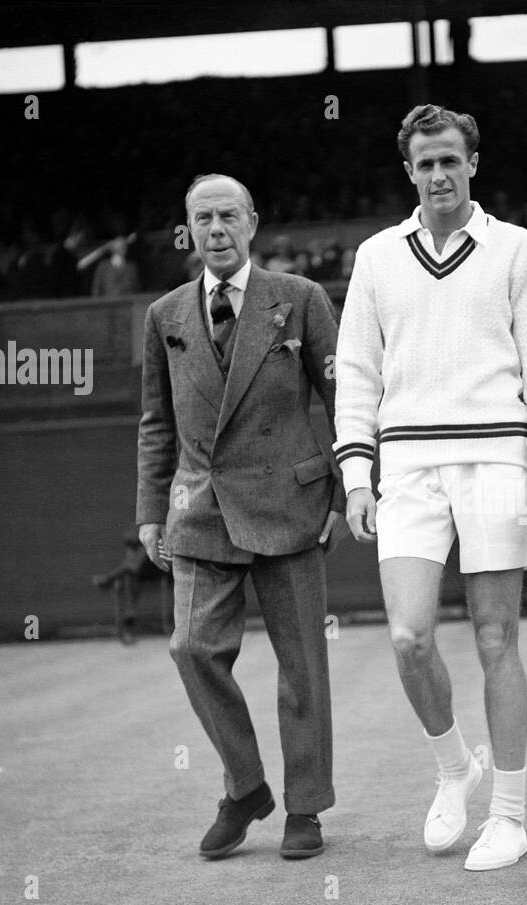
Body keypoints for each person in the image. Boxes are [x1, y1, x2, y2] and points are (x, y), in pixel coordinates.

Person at [334, 105, 527, 872]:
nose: (438, 174)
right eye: (424, 163)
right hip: (405, 465)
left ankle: (508, 816)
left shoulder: (516, 248)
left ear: (473, 162)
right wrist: (358, 474)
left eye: (450, 160)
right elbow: (359, 373)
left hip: (499, 459)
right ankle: (452, 768)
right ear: (409, 171)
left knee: (497, 638)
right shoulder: (376, 256)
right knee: (408, 636)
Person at [136, 173, 347, 861]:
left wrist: (348, 493)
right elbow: (154, 423)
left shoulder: (302, 299)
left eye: (229, 215)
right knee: (191, 648)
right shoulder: (164, 315)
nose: (217, 229)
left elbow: (345, 397)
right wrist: (148, 512)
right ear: (188, 230)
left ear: (253, 224)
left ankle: (306, 809)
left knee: (303, 668)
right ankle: (247, 787)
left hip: (291, 501)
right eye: (203, 218)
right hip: (199, 511)